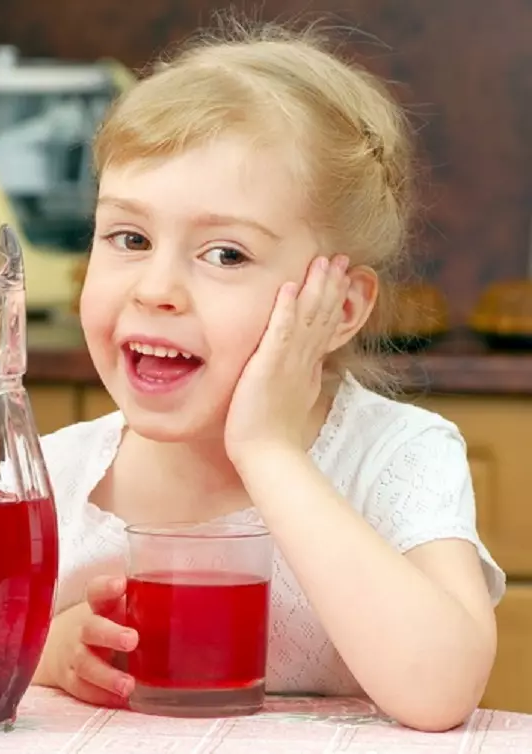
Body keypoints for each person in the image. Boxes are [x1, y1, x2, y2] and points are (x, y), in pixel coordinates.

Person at [30, 19, 505, 732]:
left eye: (226, 254)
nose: (156, 288)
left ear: (340, 308)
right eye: (130, 238)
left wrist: (270, 452)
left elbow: (439, 692)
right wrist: (48, 652)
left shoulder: (397, 457)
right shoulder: (52, 478)